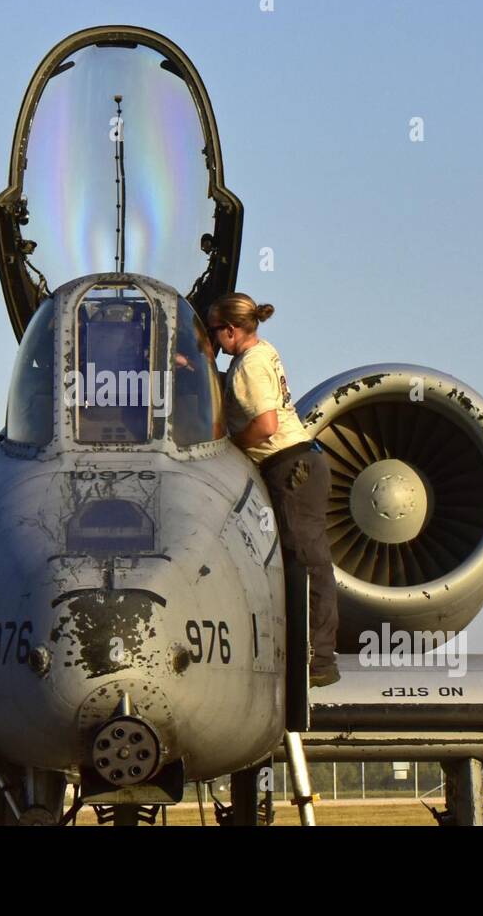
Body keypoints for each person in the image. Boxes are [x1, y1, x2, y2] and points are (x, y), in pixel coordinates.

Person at [207, 293, 340, 686]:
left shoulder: (248, 363)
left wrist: (230, 446)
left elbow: (265, 424)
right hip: (302, 463)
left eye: (215, 335)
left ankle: (317, 660)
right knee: (304, 559)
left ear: (230, 330)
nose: (215, 343)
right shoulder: (262, 352)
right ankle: (310, 652)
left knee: (308, 561)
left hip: (289, 466)